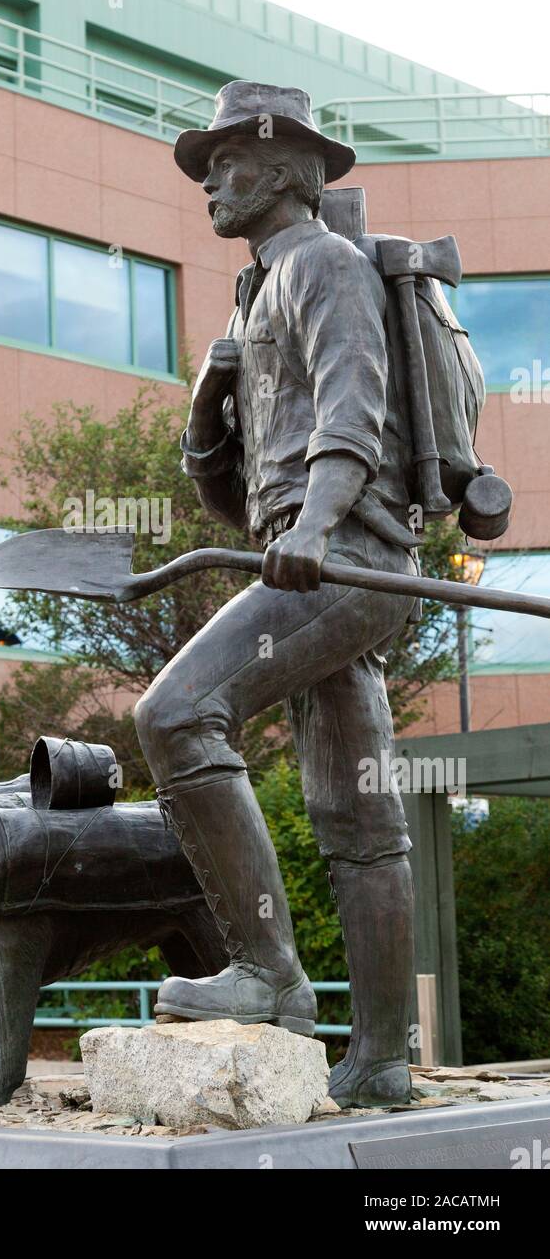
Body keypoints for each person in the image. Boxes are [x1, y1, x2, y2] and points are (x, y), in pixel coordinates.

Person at [134, 82, 421, 1107]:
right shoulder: (254, 295)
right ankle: (381, 1059)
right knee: (357, 817)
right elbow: (225, 490)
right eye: (206, 162)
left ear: (285, 168)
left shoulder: (324, 267)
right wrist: (210, 397)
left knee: (173, 711)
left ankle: (267, 972)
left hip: (346, 559)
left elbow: (352, 412)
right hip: (303, 556)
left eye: (227, 160)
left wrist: (311, 527)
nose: (210, 178)